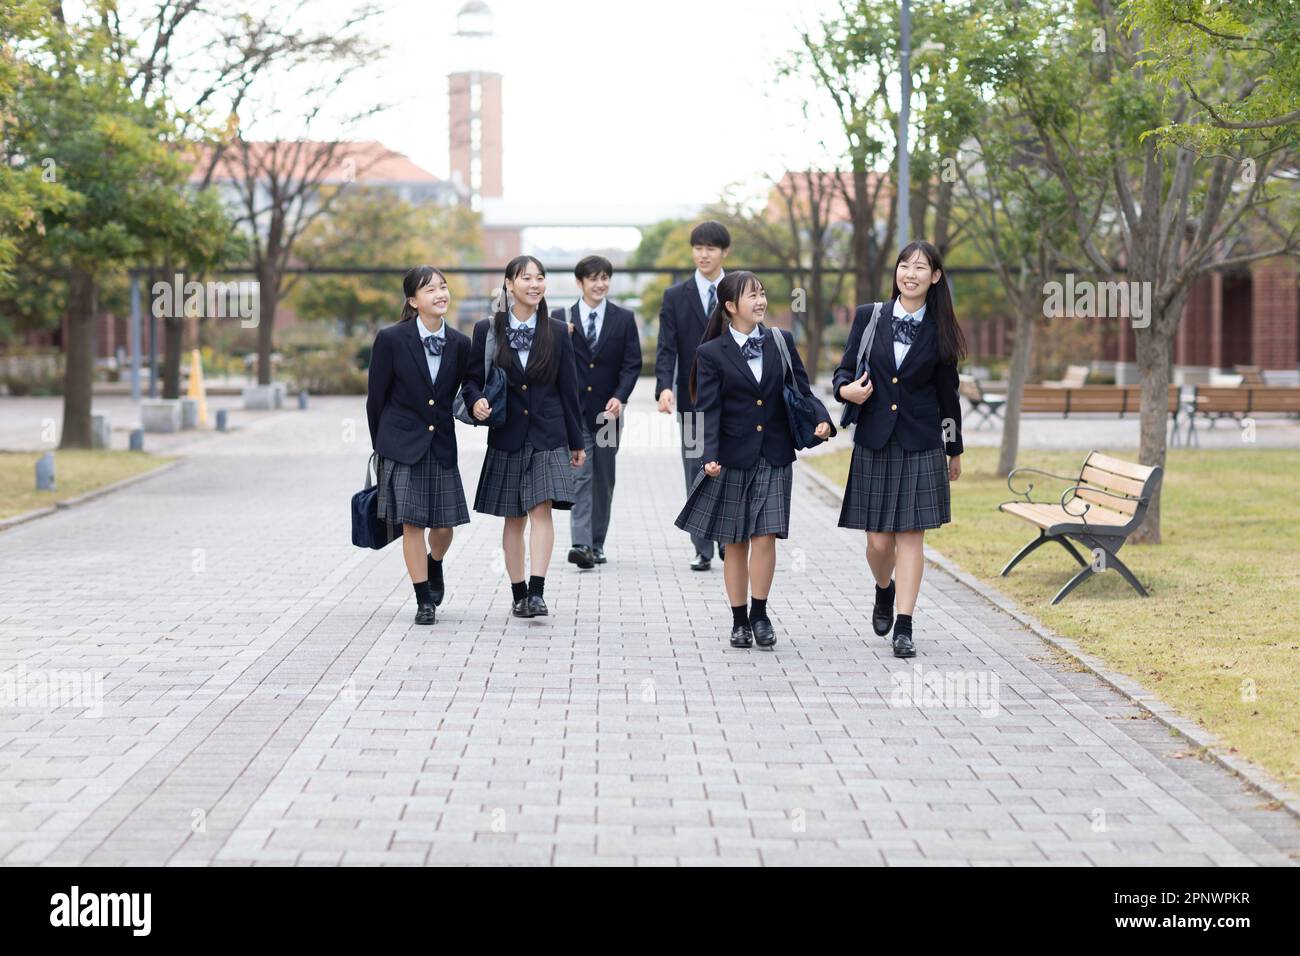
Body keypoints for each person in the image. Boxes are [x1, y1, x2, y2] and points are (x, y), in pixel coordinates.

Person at [674, 271, 834, 650]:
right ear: (731, 307)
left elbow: (801, 388)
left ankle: (760, 614)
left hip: (775, 454)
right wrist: (709, 456)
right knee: (735, 542)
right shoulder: (710, 353)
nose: (761, 301)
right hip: (731, 457)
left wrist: (821, 418)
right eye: (752, 296)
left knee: (765, 538)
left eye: (762, 294)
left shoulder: (781, 340)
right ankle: (739, 619)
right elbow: (707, 410)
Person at [832, 240, 965, 658]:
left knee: (911, 536)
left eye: (921, 268)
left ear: (935, 277)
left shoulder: (942, 329)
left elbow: (948, 393)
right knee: (878, 543)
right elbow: (843, 369)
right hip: (874, 437)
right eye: (904, 266)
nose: (910, 273)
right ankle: (883, 589)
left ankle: (905, 625)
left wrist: (953, 447)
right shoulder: (870, 317)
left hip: (922, 439)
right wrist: (845, 390)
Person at [462, 255, 585, 618]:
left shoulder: (559, 331)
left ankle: (537, 592)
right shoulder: (487, 330)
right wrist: (476, 402)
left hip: (548, 434)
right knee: (513, 519)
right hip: (507, 433)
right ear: (509, 284)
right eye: (526, 278)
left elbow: (569, 390)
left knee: (541, 512)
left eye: (540, 278)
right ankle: (518, 594)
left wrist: (576, 442)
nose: (535, 284)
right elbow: (470, 380)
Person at [366, 265, 472, 625]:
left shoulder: (460, 343)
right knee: (412, 525)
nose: (440, 294)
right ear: (413, 301)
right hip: (400, 445)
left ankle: (434, 562)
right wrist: (381, 447)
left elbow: (467, 387)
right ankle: (423, 599)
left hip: (440, 444)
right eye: (430, 290)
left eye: (443, 287)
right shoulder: (390, 339)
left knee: (444, 527)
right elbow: (375, 398)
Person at [552, 255, 643, 569]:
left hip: (608, 415)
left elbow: (632, 365)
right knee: (580, 476)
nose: (600, 284)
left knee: (602, 479)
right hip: (574, 413)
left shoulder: (624, 319)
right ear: (580, 283)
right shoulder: (560, 318)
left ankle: (597, 543)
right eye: (593, 278)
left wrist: (621, 397)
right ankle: (581, 543)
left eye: (605, 277)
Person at [655, 220, 731, 571]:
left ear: (723, 252)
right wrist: (664, 387)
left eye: (711, 248)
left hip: (736, 399)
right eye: (698, 247)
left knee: (731, 468)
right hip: (693, 400)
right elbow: (666, 347)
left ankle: (728, 538)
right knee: (697, 469)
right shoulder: (675, 296)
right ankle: (701, 545)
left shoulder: (739, 290)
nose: (703, 254)